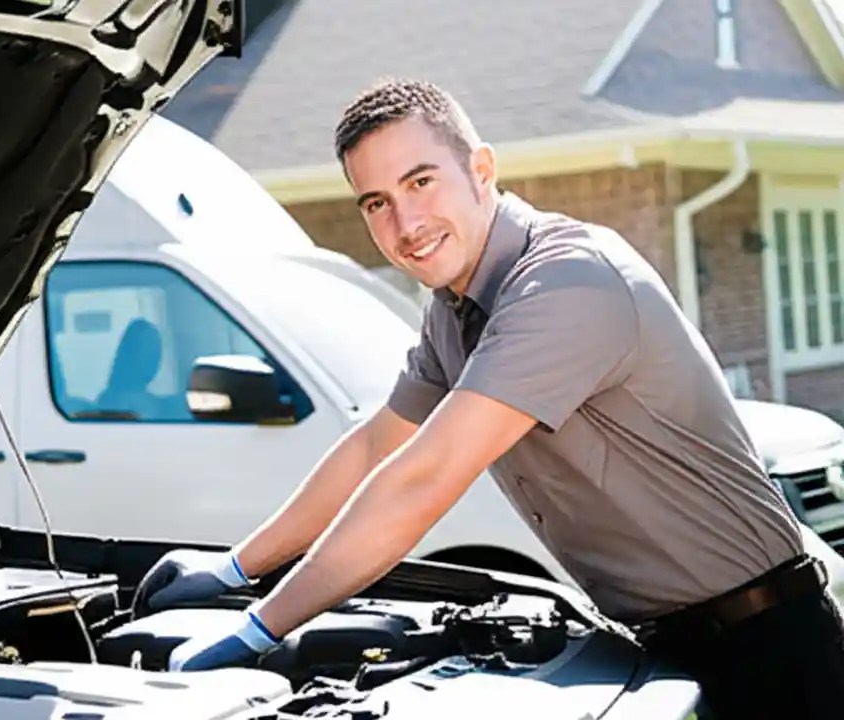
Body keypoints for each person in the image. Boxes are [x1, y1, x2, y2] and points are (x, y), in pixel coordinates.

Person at [131, 78, 844, 718]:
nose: (405, 224)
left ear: (481, 169)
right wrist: (232, 569)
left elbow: (423, 478)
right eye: (377, 202)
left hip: (773, 652)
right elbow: (379, 445)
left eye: (421, 182)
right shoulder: (454, 309)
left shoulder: (566, 285)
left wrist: (259, 629)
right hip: (666, 649)